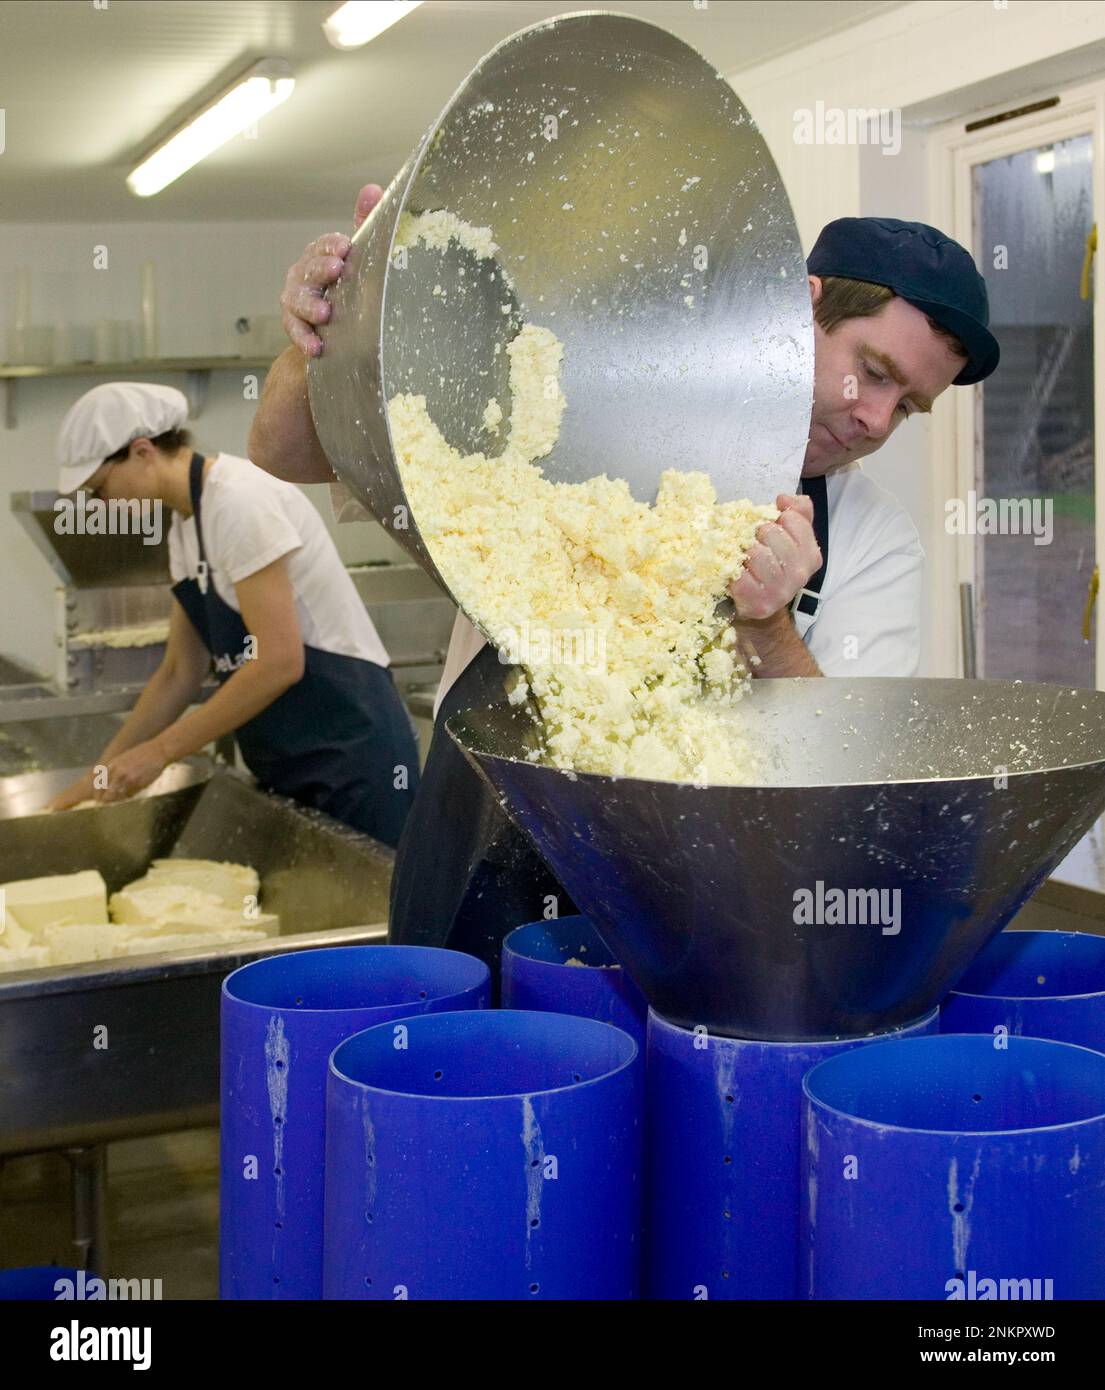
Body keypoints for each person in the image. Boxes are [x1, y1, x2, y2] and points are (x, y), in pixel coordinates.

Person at [250, 192, 1000, 970]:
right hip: (482, 834)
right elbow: (284, 452)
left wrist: (768, 628)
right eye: (870, 373)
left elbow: (840, 774)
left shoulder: (873, 538)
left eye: (906, 406)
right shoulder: (578, 401)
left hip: (690, 890)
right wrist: (341, 322)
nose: (875, 420)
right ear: (796, 306)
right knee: (453, 1076)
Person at [50, 381, 420, 848]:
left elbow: (279, 661)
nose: (102, 504)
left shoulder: (239, 501)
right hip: (289, 760)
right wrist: (97, 780)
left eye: (99, 488)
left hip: (350, 753)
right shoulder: (186, 529)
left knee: (377, 909)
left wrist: (159, 753)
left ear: (142, 452)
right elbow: (178, 674)